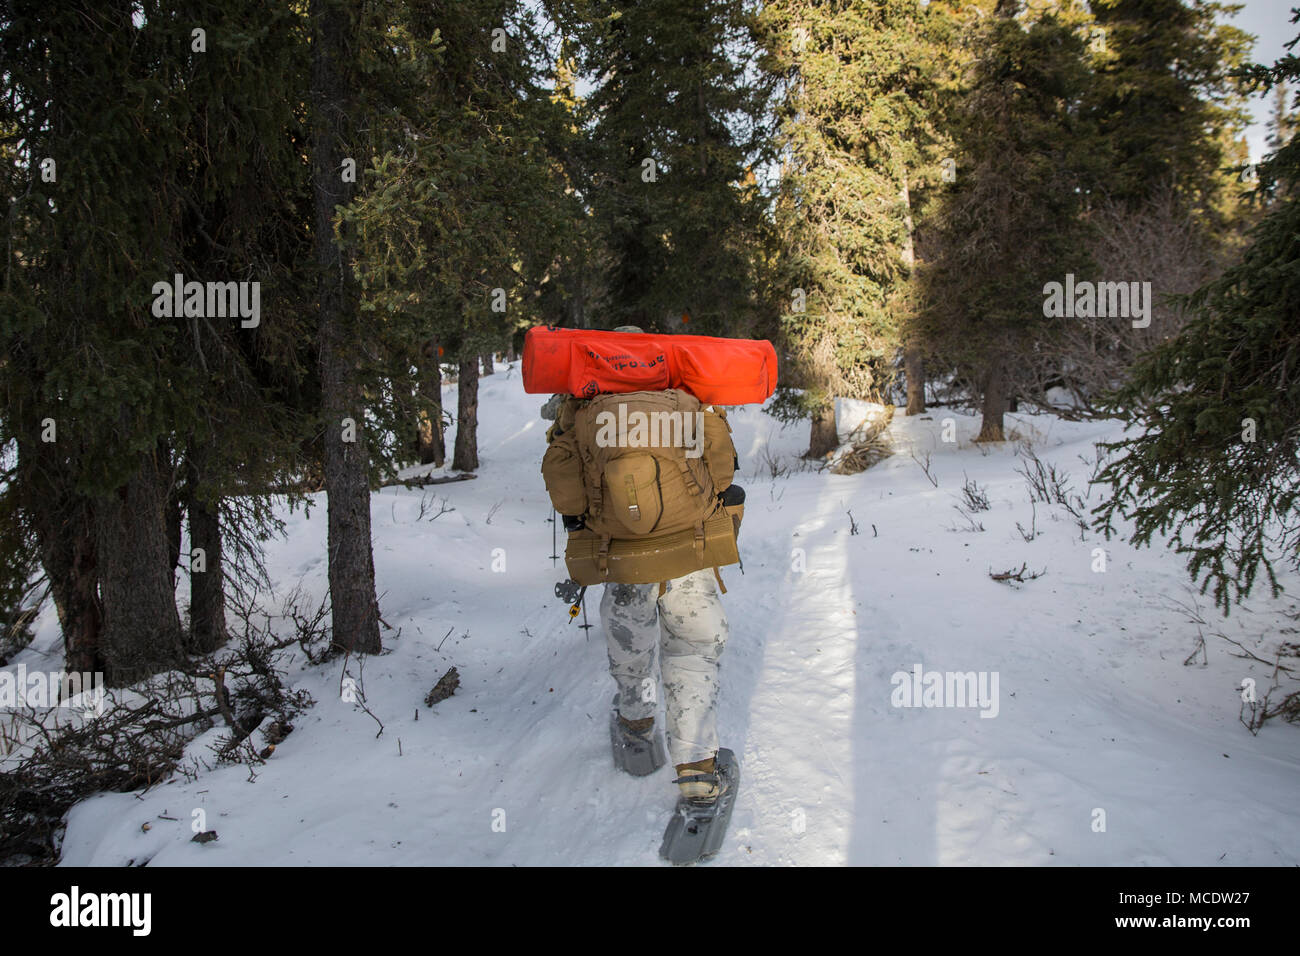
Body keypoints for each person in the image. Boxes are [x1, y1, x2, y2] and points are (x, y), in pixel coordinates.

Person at [540, 325, 742, 806]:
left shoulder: (582, 409)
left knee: (631, 648)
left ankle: (636, 729)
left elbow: (564, 491)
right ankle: (697, 772)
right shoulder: (683, 396)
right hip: (688, 554)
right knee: (691, 653)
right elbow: (723, 471)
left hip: (622, 559)